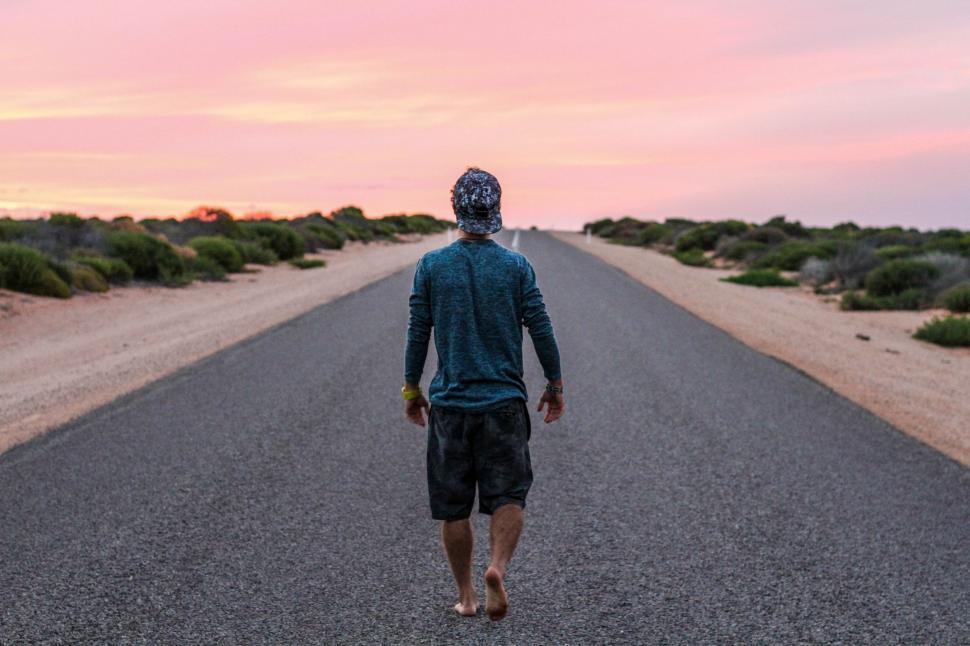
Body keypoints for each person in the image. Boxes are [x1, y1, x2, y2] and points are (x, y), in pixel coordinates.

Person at [402, 167, 564, 621]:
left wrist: (412, 387)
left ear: (455, 207)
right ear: (495, 209)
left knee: (454, 507)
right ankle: (498, 567)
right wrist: (554, 384)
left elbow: (419, 330)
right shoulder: (515, 266)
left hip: (451, 406)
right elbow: (541, 327)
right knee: (508, 495)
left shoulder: (432, 265)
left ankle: (468, 596)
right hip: (503, 405)